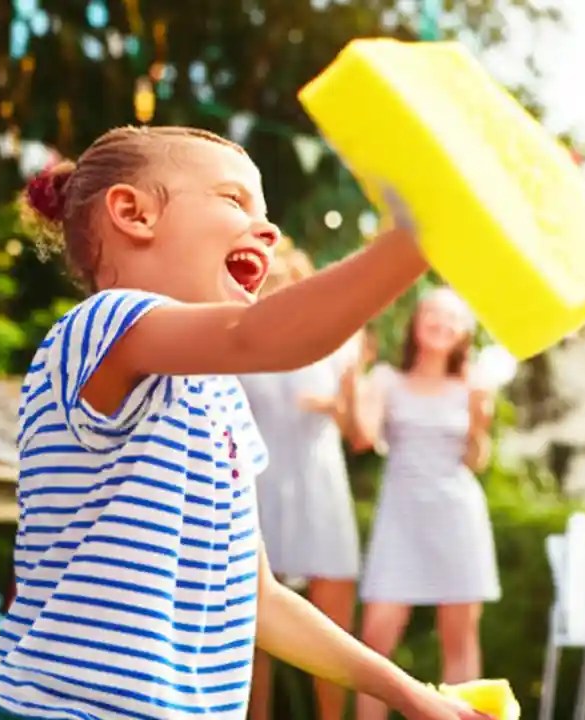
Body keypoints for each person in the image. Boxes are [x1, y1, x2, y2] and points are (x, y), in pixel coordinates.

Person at [0, 126, 487, 720]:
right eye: (233, 199)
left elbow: (259, 597)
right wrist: (418, 238)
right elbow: (258, 336)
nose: (269, 231)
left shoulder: (219, 396)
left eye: (265, 211)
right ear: (133, 213)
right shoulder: (100, 326)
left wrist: (408, 693)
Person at [349, 288, 501, 720]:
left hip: (457, 517)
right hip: (401, 518)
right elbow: (363, 438)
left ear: (464, 333)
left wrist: (479, 423)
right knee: (375, 643)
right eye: (432, 314)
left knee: (460, 643)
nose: (440, 323)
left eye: (451, 318)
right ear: (415, 323)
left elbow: (475, 460)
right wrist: (349, 382)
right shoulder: (385, 380)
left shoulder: (472, 385)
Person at [239, 239, 366, 720]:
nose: (274, 291)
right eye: (265, 283)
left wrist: (343, 401)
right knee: (253, 633)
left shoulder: (338, 342)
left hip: (319, 491)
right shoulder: (238, 339)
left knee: (333, 635)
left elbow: (360, 435)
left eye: (284, 282)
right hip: (257, 490)